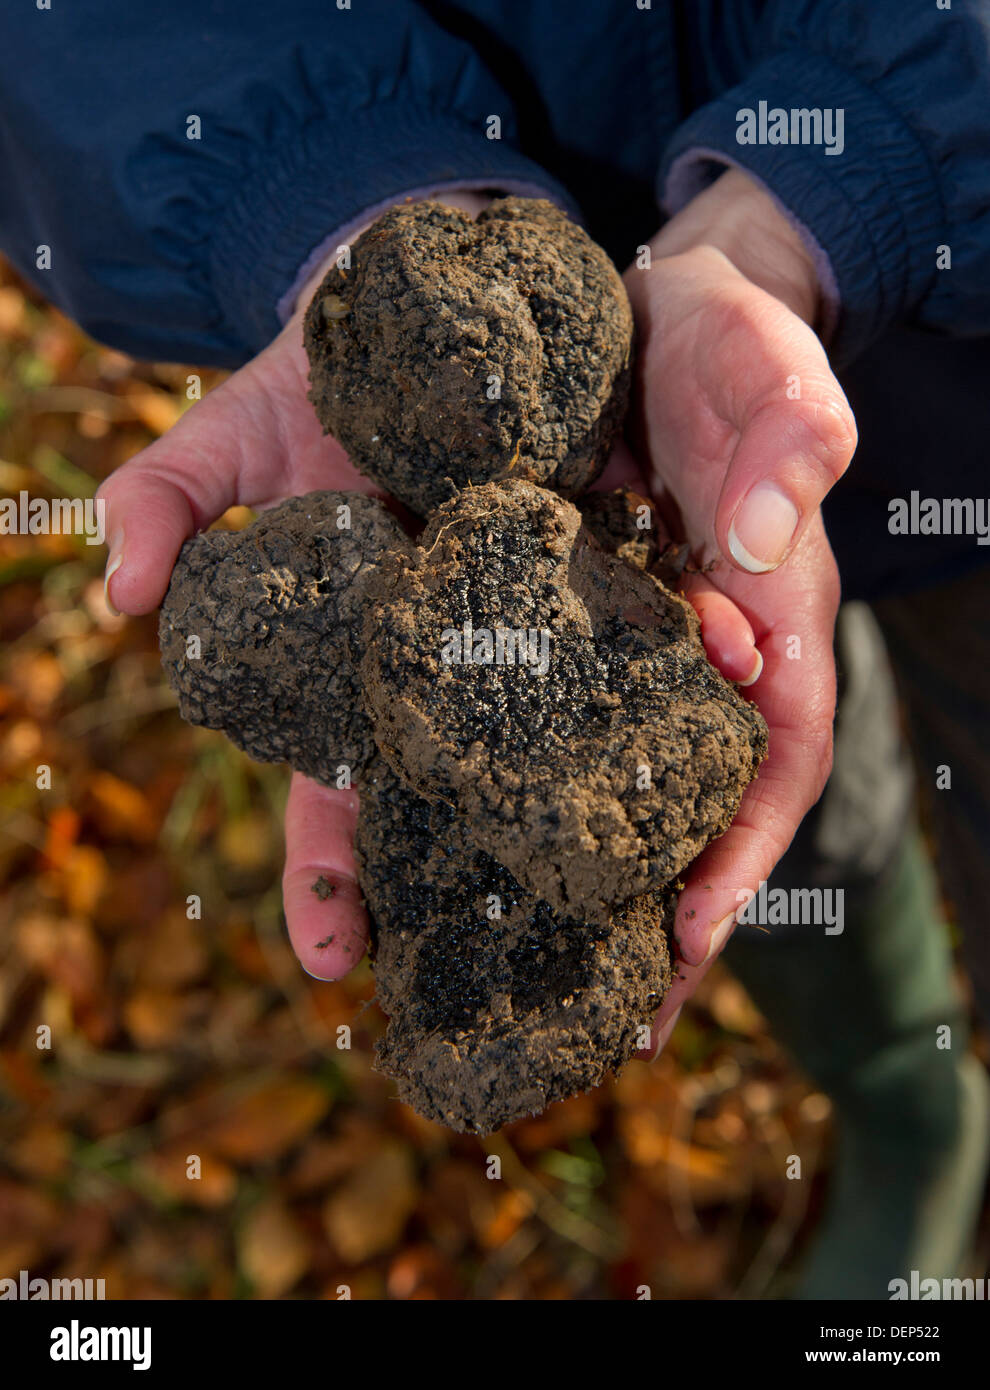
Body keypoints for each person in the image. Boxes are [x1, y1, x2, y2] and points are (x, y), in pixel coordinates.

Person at [4, 1, 988, 1298]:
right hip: (675, 522)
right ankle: (908, 1113)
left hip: (952, 359)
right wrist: (326, 191)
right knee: (780, 829)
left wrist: (854, 164)